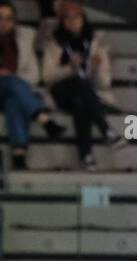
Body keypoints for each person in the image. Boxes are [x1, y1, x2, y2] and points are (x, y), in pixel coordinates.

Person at [41, 1, 121, 169]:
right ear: (62, 21)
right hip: (61, 90)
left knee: (81, 104)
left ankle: (86, 156)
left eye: (76, 16)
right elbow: (47, 77)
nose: (73, 21)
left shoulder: (95, 44)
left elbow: (104, 83)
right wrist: (69, 68)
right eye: (67, 18)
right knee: (78, 82)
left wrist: (97, 68)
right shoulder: (55, 43)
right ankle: (106, 129)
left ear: (83, 18)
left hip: (87, 93)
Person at [0, 1, 64, 171]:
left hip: (14, 91)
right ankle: (45, 120)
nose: (4, 22)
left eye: (8, 18)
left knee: (13, 101)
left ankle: (19, 156)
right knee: (12, 83)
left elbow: (34, 75)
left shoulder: (26, 38)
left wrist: (11, 78)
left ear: (14, 21)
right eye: (0, 18)